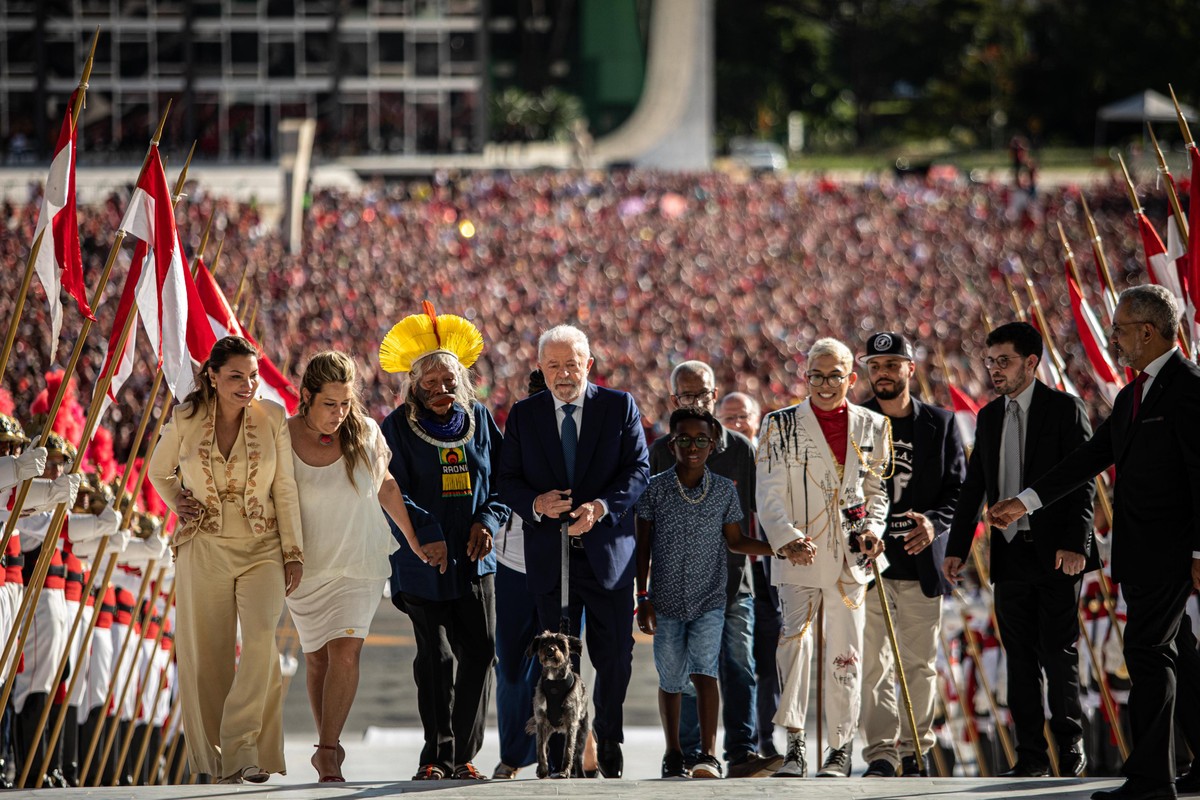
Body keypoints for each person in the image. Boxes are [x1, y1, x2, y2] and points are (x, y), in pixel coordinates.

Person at [989, 285, 1200, 800]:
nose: (1113, 339)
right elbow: (1086, 461)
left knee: (1147, 651)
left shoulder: (1190, 387)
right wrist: (1025, 502)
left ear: (1148, 331)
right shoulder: (1131, 396)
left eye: (1120, 329)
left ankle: (1152, 780)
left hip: (1173, 551)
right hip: (1140, 552)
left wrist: (1199, 551)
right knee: (1181, 654)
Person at [148, 335, 305, 784]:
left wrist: (293, 552)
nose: (248, 385)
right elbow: (157, 471)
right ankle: (223, 762)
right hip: (203, 546)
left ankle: (242, 746)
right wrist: (178, 501)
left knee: (260, 641)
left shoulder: (273, 416)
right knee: (209, 653)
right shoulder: (185, 417)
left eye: (253, 376)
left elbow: (284, 488)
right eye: (237, 376)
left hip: (263, 547)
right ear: (212, 376)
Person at [497, 323, 650, 779]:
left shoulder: (619, 406)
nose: (563, 374)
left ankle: (608, 735)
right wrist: (536, 504)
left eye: (571, 364)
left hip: (607, 557)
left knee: (615, 657)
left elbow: (638, 469)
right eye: (554, 366)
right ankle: (568, 753)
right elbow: (508, 480)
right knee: (559, 663)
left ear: (589, 365)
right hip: (552, 558)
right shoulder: (524, 415)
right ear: (541, 368)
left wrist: (601, 507)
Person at [943, 321, 1095, 779]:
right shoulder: (989, 416)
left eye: (1004, 361)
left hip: (1056, 554)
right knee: (1020, 659)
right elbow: (974, 486)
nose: (994, 370)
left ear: (1031, 362)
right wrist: (956, 548)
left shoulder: (1065, 409)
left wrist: (1076, 543)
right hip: (1009, 554)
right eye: (990, 361)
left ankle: (1070, 746)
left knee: (1058, 653)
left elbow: (1083, 481)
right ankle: (1030, 756)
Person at [378, 303, 508, 781]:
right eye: (430, 383)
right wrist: (427, 534)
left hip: (474, 559)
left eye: (448, 381)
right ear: (413, 385)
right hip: (422, 561)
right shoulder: (396, 426)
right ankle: (436, 755)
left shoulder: (480, 419)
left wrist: (488, 521)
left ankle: (462, 755)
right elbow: (391, 487)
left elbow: (503, 482)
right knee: (436, 658)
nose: (440, 390)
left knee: (481, 651)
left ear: (462, 381)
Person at [284, 351, 421, 783]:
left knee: (345, 652)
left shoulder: (365, 432)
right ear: (307, 396)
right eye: (330, 404)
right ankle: (327, 739)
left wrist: (413, 540)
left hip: (360, 561)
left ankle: (328, 751)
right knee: (317, 660)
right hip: (306, 567)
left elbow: (386, 487)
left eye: (346, 403)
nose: (339, 413)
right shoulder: (281, 436)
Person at [755, 337, 889, 779]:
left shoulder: (873, 425)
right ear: (806, 377)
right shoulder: (780, 424)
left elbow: (877, 492)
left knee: (847, 652)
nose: (826, 385)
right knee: (794, 645)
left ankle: (840, 748)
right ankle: (794, 745)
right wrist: (786, 538)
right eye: (817, 376)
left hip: (854, 559)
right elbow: (768, 492)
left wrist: (874, 529)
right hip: (799, 554)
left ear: (851, 378)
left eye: (835, 376)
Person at [647, 361, 777, 778]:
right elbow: (646, 523)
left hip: (734, 581)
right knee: (685, 672)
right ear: (674, 400)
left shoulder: (740, 449)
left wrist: (787, 544)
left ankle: (741, 752)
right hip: (679, 586)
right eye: (687, 396)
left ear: (715, 395)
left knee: (740, 667)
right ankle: (688, 755)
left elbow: (765, 508)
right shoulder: (660, 452)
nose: (697, 402)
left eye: (703, 395)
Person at [856, 331, 966, 778]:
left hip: (921, 564)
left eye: (891, 365)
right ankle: (881, 754)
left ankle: (915, 751)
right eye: (874, 366)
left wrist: (934, 523)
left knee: (919, 666)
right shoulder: (855, 420)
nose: (882, 373)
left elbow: (959, 490)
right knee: (873, 667)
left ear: (909, 369)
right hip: (869, 566)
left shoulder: (940, 423)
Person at [491, 369, 548, 781]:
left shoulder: (582, 442)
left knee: (558, 670)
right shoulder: (507, 441)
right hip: (511, 566)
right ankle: (512, 754)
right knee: (510, 669)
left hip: (563, 568)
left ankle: (556, 757)